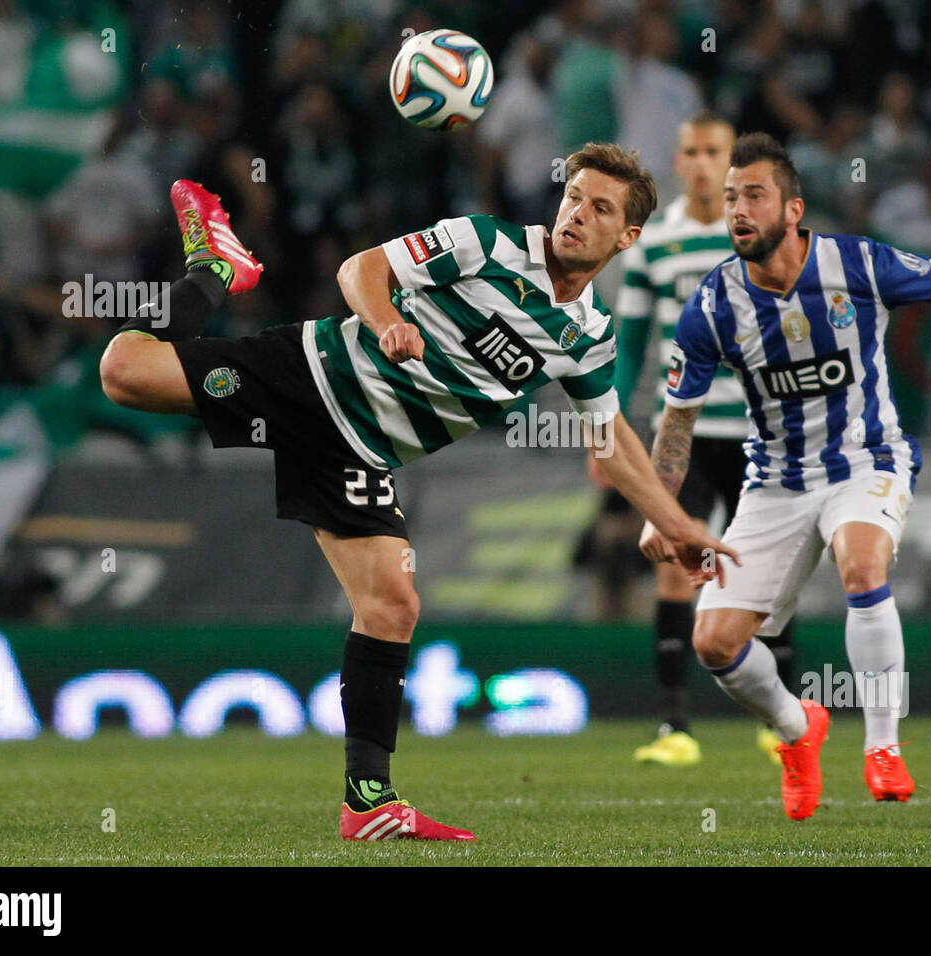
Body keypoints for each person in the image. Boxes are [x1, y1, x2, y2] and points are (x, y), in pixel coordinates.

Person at [99, 144, 738, 842]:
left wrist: (676, 524)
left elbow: (610, 440)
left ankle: (368, 801)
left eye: (600, 208)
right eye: (574, 196)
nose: (577, 214)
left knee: (393, 603)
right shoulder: (487, 244)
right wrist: (387, 322)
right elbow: (361, 269)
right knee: (124, 372)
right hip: (313, 381)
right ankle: (217, 266)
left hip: (364, 449)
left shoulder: (587, 339)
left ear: (628, 237)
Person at [640, 133, 931, 821]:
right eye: (732, 197)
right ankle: (799, 731)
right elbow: (677, 421)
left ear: (793, 209)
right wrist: (660, 512)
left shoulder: (856, 263)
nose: (738, 209)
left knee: (862, 565)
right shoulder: (712, 306)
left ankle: (882, 744)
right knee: (715, 644)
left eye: (754, 195)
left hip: (867, 459)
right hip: (775, 483)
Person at [604, 111, 795, 768]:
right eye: (693, 151)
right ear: (679, 162)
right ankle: (673, 728)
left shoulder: (757, 236)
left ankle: (783, 722)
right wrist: (612, 429)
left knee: (770, 579)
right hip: (679, 433)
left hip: (758, 430)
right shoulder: (652, 243)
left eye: (715, 150)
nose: (705, 162)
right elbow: (630, 344)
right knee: (674, 575)